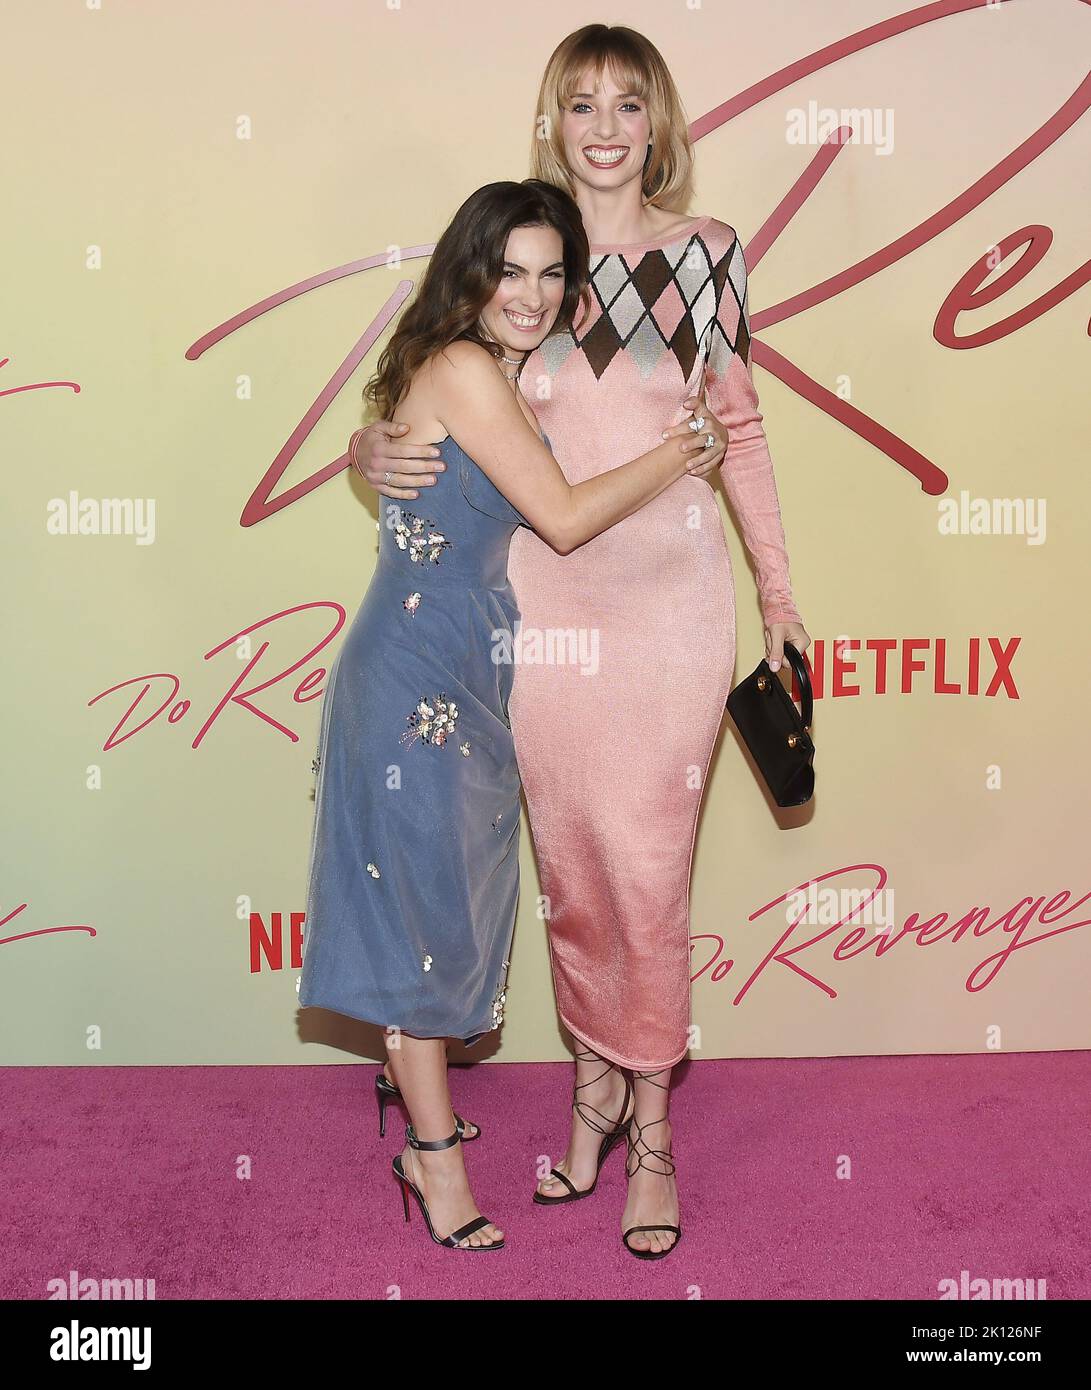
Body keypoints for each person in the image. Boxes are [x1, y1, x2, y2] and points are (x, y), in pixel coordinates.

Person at [351, 25, 811, 1261]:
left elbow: (741, 430)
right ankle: (590, 1093)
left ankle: (650, 1126)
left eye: (626, 103)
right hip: (540, 610)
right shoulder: (526, 259)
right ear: (550, 120)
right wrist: (364, 454)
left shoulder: (707, 254)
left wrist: (777, 590)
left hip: (669, 605)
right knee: (572, 869)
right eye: (579, 103)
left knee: (648, 872)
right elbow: (425, 387)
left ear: (656, 121)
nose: (604, 125)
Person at [298, 176, 713, 1253]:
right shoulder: (470, 370)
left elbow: (407, 445)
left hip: (469, 672)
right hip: (413, 679)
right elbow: (565, 518)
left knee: (444, 903)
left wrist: (364, 446)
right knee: (418, 914)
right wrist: (681, 453)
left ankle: (421, 1105)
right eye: (507, 272)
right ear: (469, 275)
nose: (529, 295)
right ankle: (432, 1163)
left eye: (550, 273)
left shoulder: (499, 368)